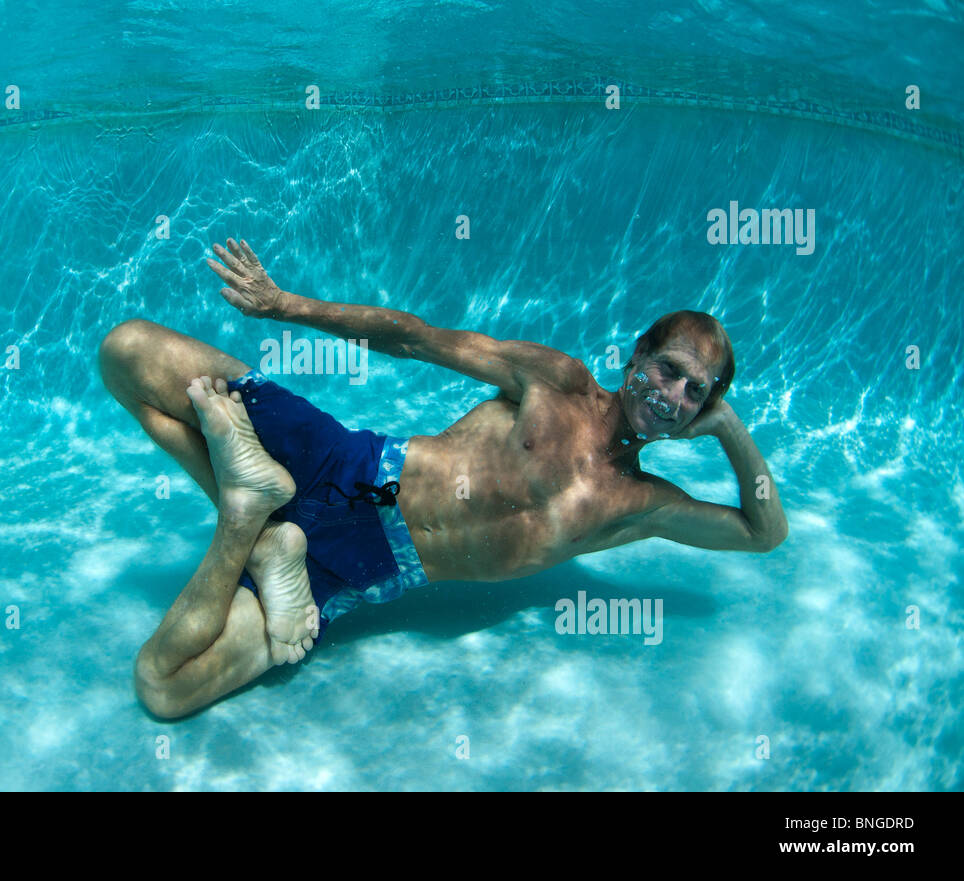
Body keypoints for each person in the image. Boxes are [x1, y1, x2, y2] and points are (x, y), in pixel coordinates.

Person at [99, 238, 788, 719]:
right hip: (349, 466)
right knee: (126, 351)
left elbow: (763, 533)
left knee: (163, 686)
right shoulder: (558, 381)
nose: (672, 394)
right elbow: (416, 337)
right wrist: (284, 306)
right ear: (639, 352)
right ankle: (259, 515)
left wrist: (731, 429)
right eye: (669, 367)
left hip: (354, 570)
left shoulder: (641, 504)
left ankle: (251, 518)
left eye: (696, 392)